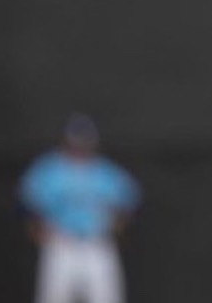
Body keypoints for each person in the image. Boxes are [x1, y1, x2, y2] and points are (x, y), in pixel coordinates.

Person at [18, 113, 141, 303]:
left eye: (85, 141)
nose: (80, 147)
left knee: (106, 297)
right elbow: (28, 202)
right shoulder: (49, 170)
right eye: (76, 141)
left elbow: (129, 201)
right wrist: (35, 228)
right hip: (61, 241)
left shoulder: (106, 172)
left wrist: (119, 225)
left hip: (96, 241)